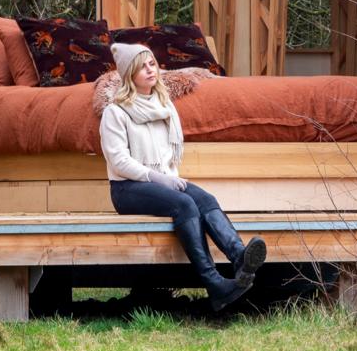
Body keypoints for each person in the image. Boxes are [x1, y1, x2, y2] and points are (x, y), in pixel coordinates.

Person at [100, 42, 267, 312]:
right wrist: (159, 179)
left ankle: (240, 258)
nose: (150, 70)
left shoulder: (164, 107)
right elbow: (119, 162)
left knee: (205, 199)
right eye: (141, 66)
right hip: (127, 188)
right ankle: (214, 284)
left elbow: (168, 157)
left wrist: (169, 178)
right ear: (129, 74)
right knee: (185, 205)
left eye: (152, 63)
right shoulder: (116, 112)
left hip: (164, 180)